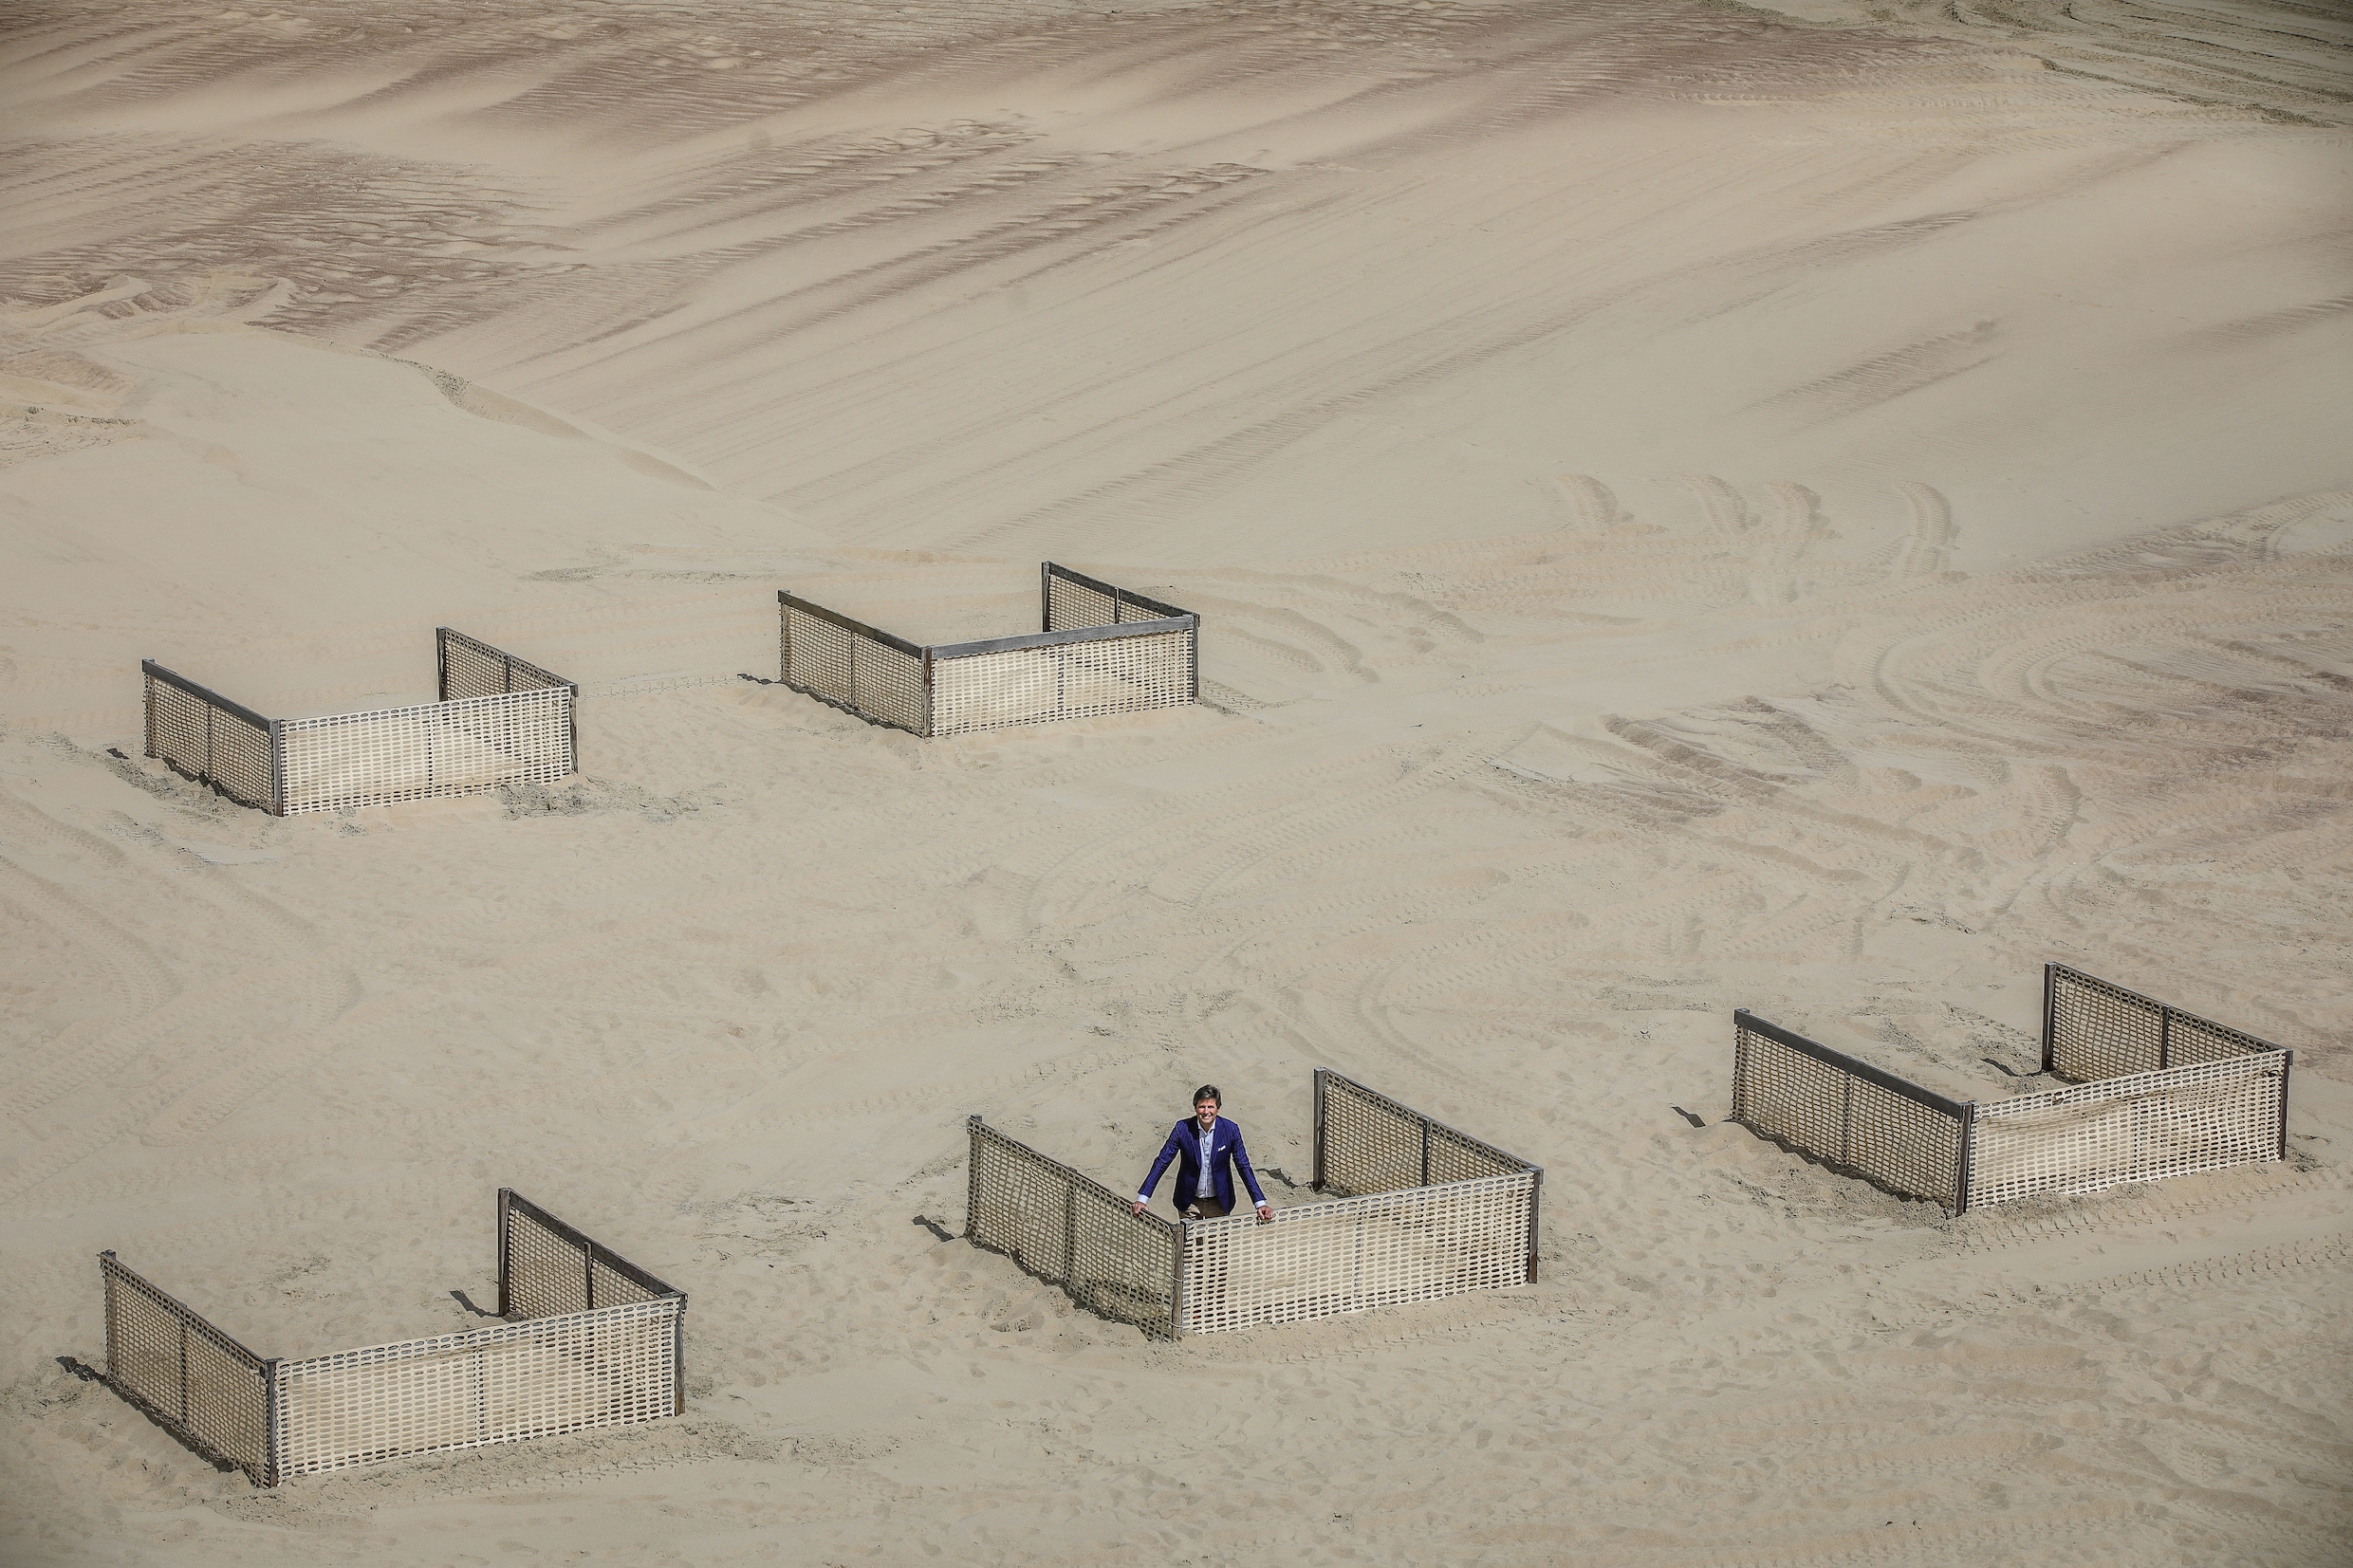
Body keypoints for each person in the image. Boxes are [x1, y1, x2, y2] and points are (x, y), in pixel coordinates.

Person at [1133, 1084, 1273, 1224]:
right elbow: (1163, 1161)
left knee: (1218, 1239)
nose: (1206, 1112)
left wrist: (1260, 1203)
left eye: (1210, 1107)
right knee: (1188, 1239)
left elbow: (1243, 1166)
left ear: (1218, 1108)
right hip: (1189, 1202)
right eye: (1202, 1107)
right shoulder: (1182, 1129)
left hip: (1220, 1202)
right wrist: (1142, 1199)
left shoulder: (1231, 1130)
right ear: (1195, 1108)